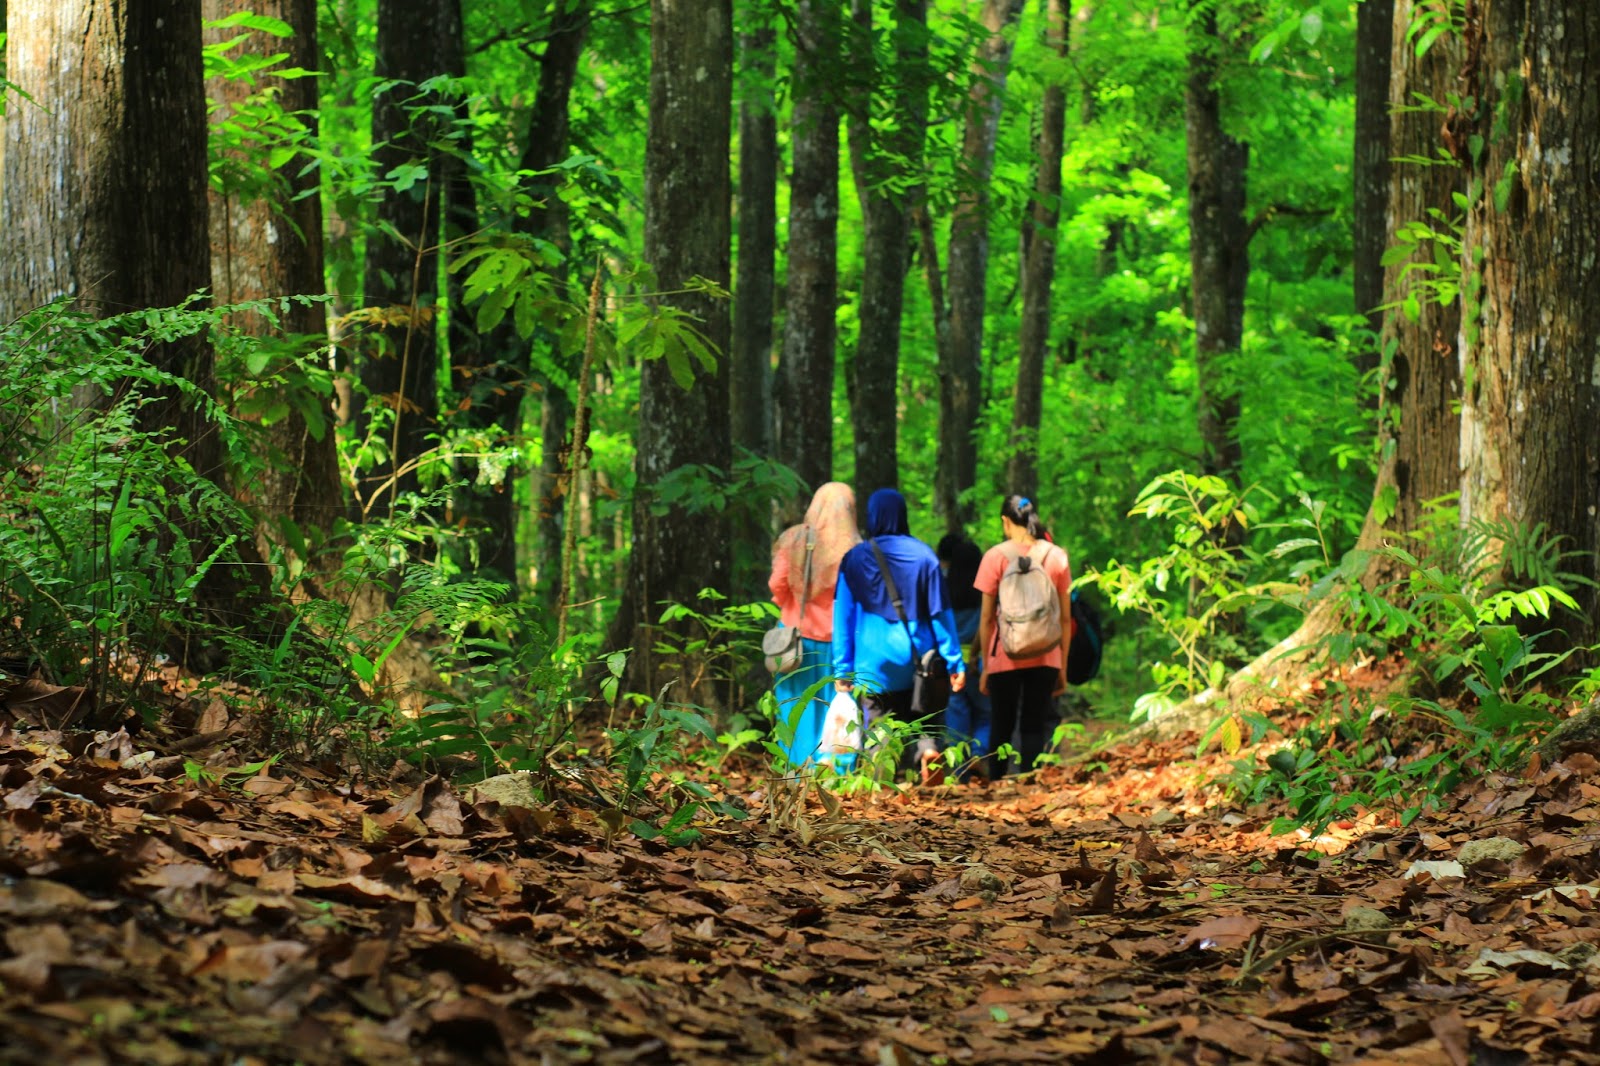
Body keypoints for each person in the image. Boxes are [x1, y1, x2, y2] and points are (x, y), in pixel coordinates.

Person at [833, 488, 966, 778]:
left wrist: (842, 667)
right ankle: (928, 750)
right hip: (918, 656)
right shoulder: (925, 556)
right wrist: (955, 661)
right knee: (923, 712)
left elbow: (842, 616)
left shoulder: (854, 559)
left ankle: (881, 785)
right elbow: (940, 613)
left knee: (879, 726)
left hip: (873, 661)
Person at [975, 494, 1072, 780]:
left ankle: (996, 784)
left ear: (1006, 521)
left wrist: (985, 666)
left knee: (1001, 723)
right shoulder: (1056, 556)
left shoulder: (995, 556)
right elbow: (1065, 618)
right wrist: (1062, 665)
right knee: (1034, 723)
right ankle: (1028, 785)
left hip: (1005, 655)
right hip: (1047, 654)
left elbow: (986, 618)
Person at [768, 482, 860, 766]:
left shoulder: (793, 539)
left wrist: (791, 604)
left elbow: (777, 585)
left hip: (795, 641)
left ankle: (796, 773)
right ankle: (833, 778)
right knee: (836, 712)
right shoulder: (856, 548)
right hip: (839, 645)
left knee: (795, 709)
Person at [937, 533, 991, 778]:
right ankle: (979, 755)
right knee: (985, 713)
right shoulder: (984, 591)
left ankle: (959, 771)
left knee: (956, 713)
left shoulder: (945, 589)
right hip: (979, 659)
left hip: (953, 661)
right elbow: (987, 623)